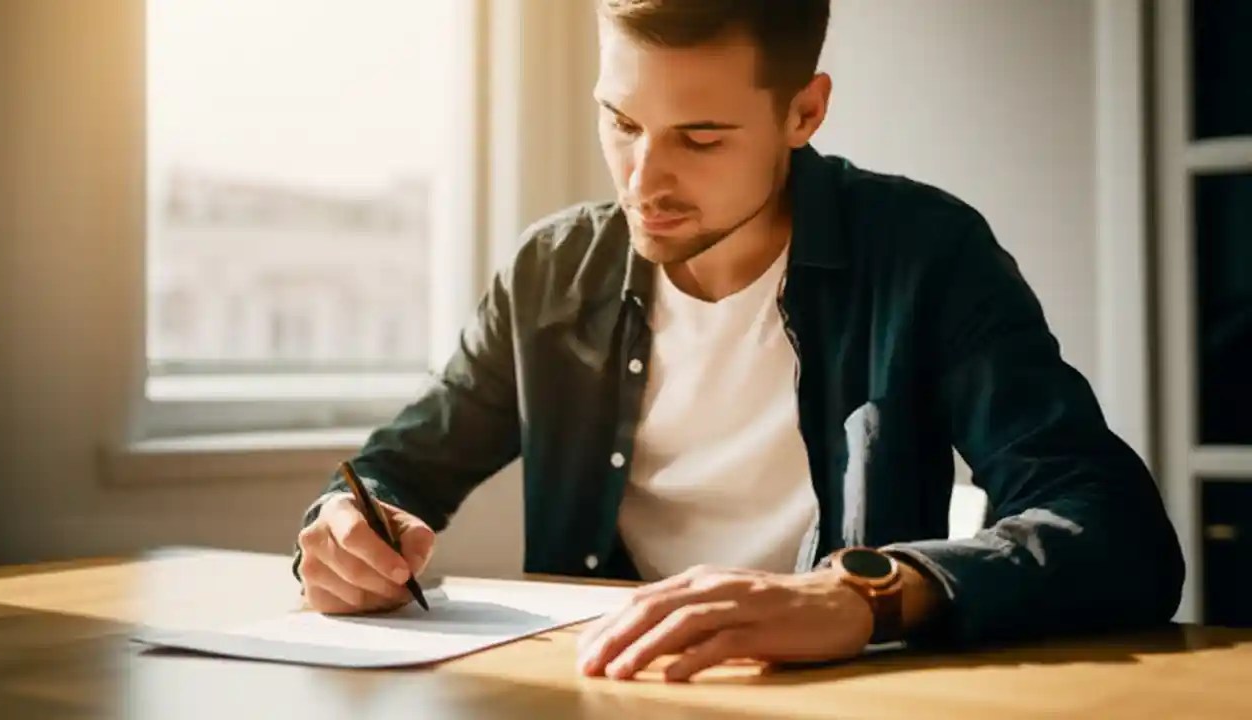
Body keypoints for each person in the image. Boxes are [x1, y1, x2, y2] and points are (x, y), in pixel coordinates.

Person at [291, 0, 1184, 683]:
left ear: (804, 113)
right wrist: (341, 533)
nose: (644, 181)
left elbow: (1116, 533)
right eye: (621, 121)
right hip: (608, 693)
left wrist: (857, 596)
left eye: (701, 136)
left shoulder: (925, 253)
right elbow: (395, 473)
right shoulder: (550, 272)